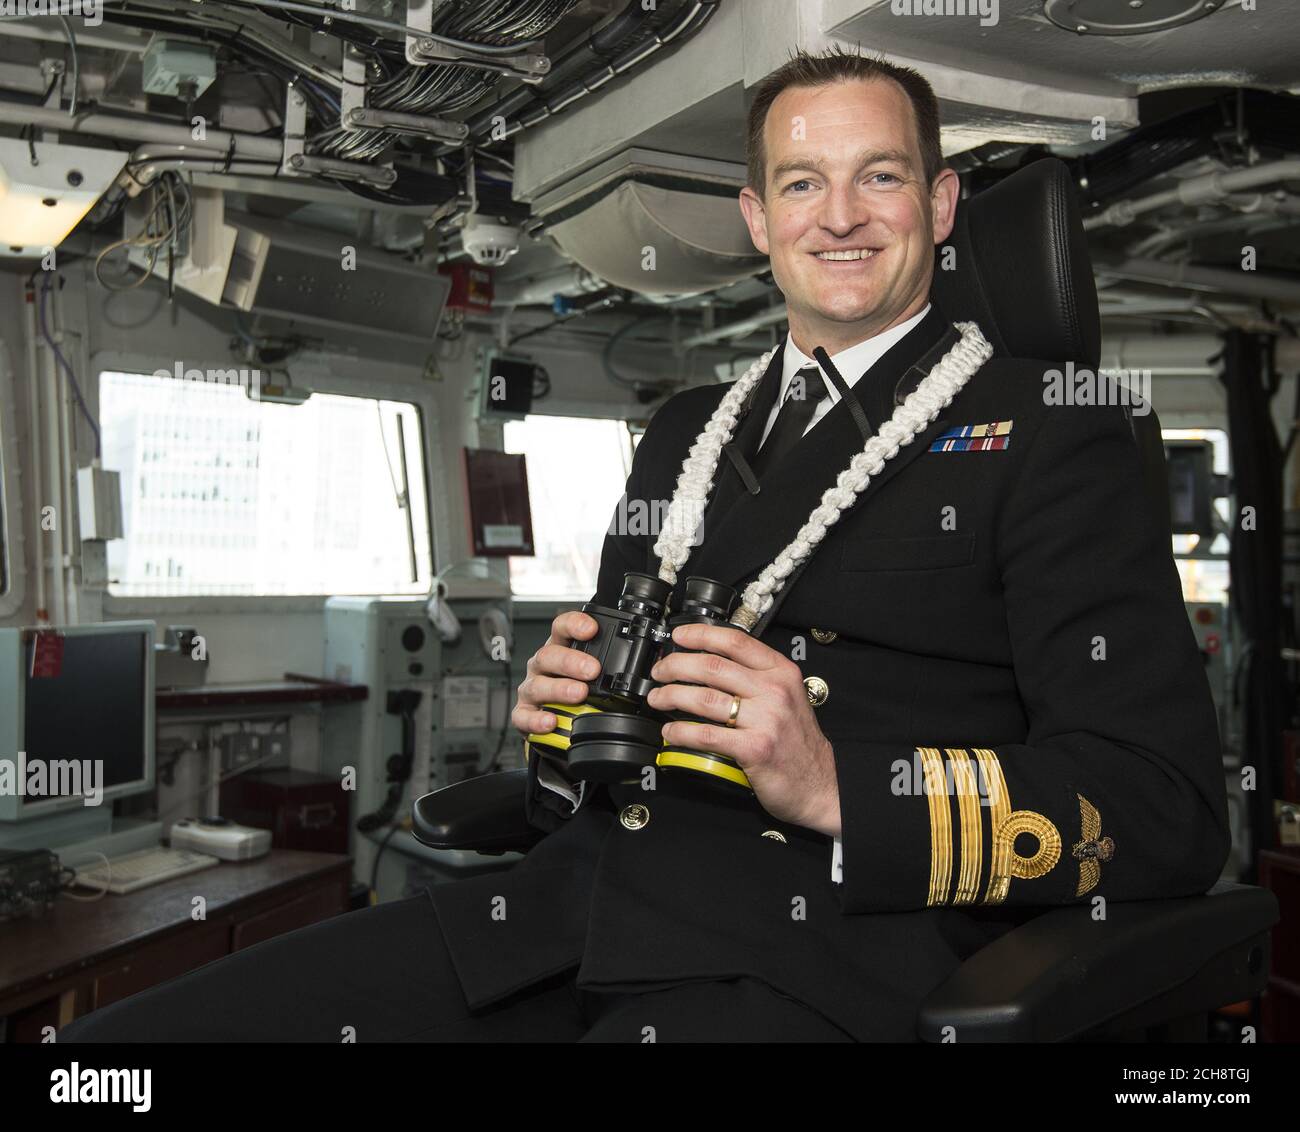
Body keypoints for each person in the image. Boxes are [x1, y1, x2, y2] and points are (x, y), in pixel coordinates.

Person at [61, 45, 1229, 1044]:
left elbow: (1164, 806)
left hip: (821, 953)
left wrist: (835, 785)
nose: (839, 215)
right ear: (757, 221)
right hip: (581, 904)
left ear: (939, 205)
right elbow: (608, 746)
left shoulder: (1052, 429)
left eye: (879, 177)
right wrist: (566, 726)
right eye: (801, 183)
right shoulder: (685, 432)